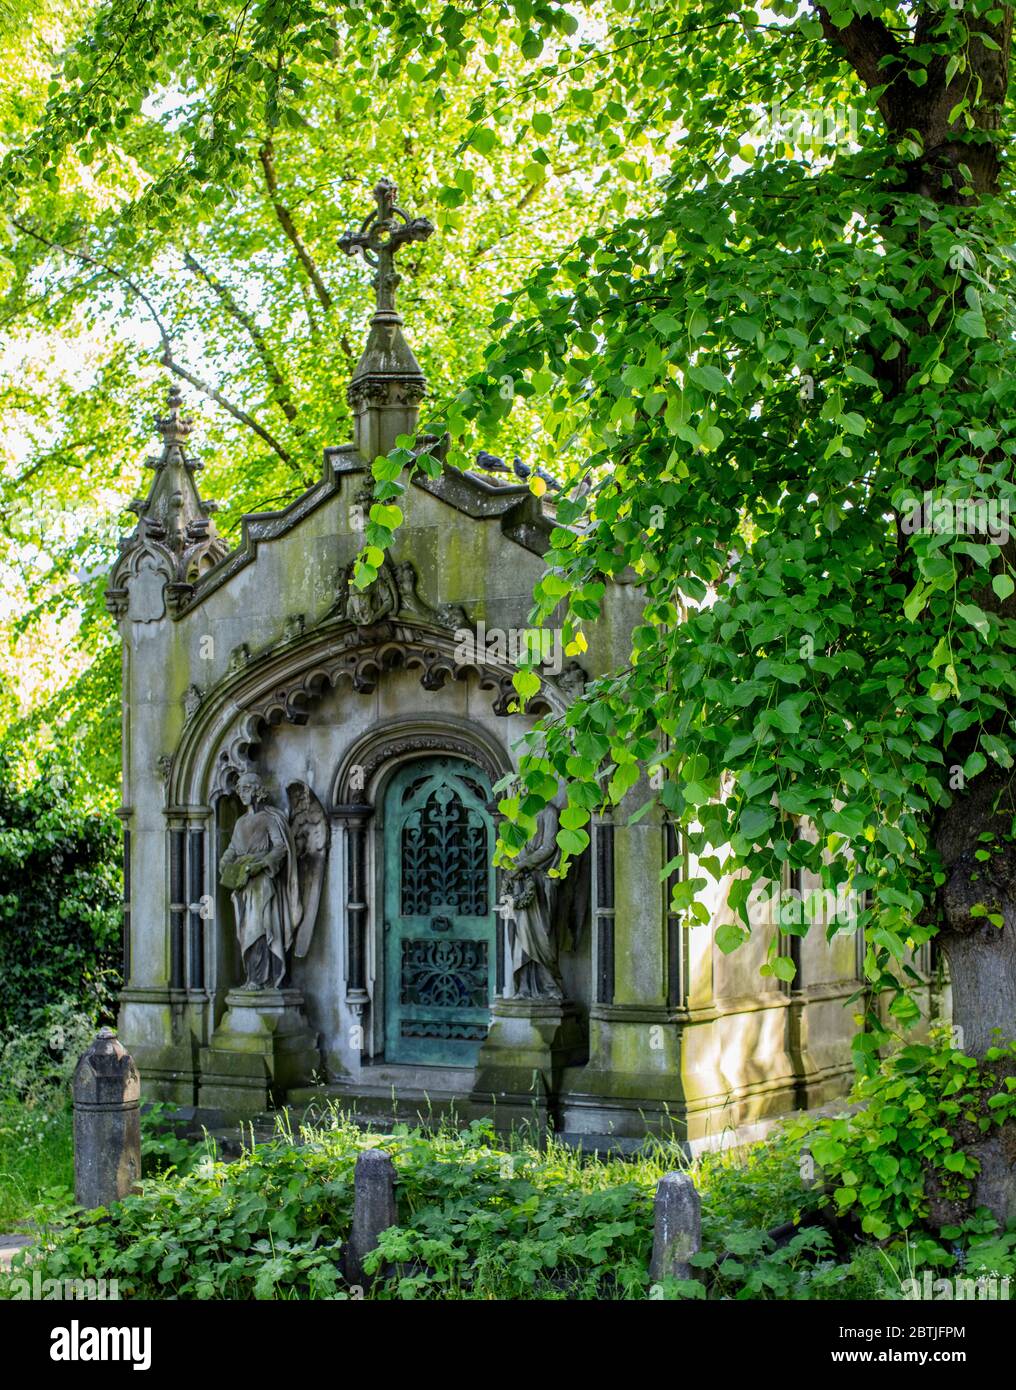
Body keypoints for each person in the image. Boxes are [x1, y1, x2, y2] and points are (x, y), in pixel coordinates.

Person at [219, 772, 303, 989]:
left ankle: (262, 978)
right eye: (239, 790)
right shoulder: (240, 823)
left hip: (262, 883)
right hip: (242, 883)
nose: (242, 794)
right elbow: (233, 848)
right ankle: (252, 977)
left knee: (261, 928)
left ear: (257, 790)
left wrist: (260, 864)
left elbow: (280, 847)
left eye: (246, 789)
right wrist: (225, 861)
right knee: (246, 931)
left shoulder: (267, 819)